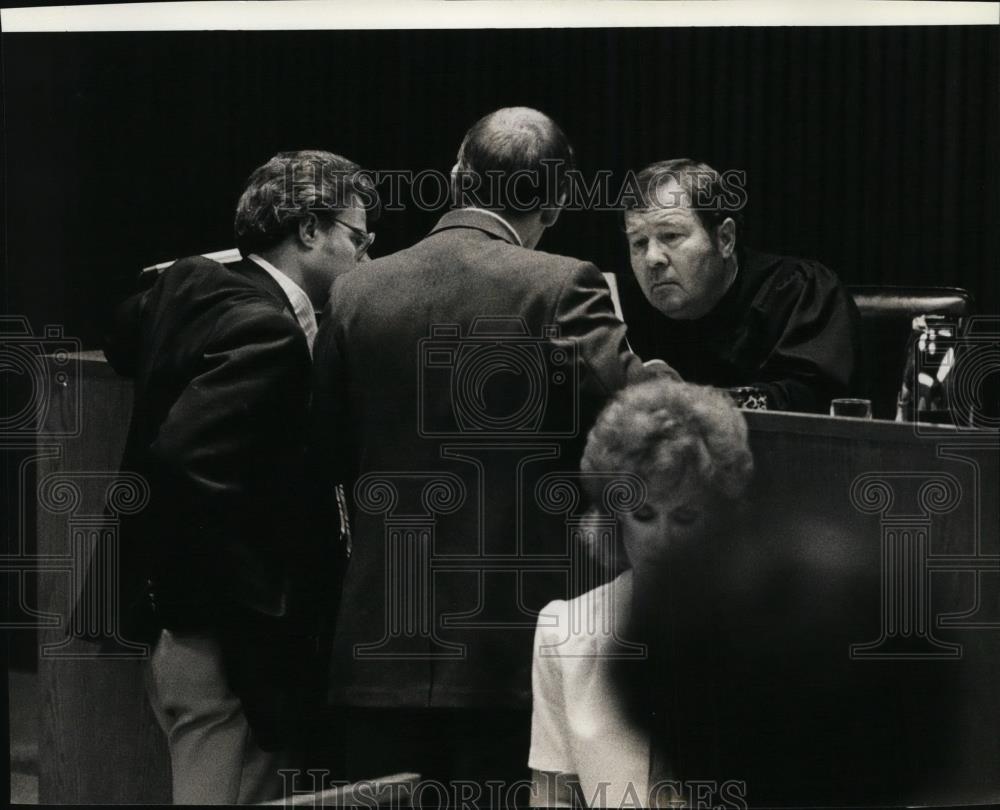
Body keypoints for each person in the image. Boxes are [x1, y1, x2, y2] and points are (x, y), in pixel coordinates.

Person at [311, 107, 674, 795]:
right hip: (504, 648)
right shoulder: (564, 286)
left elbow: (322, 453)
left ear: (455, 176)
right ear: (561, 199)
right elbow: (643, 432)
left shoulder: (356, 289)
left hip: (378, 641)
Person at [81, 150, 377, 804]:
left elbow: (122, 337)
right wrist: (259, 613)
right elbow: (183, 465)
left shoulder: (192, 289)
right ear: (308, 231)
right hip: (224, 645)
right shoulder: (267, 327)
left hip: (175, 634)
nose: (367, 256)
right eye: (358, 237)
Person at [528, 379, 754, 808]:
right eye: (644, 514)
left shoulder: (762, 632)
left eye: (685, 516)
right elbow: (553, 797)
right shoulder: (563, 630)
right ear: (614, 517)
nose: (662, 539)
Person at [618, 158, 861, 413]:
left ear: (725, 239)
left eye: (671, 236)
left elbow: (812, 403)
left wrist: (694, 402)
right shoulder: (620, 308)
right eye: (639, 243)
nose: (653, 258)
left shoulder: (799, 291)